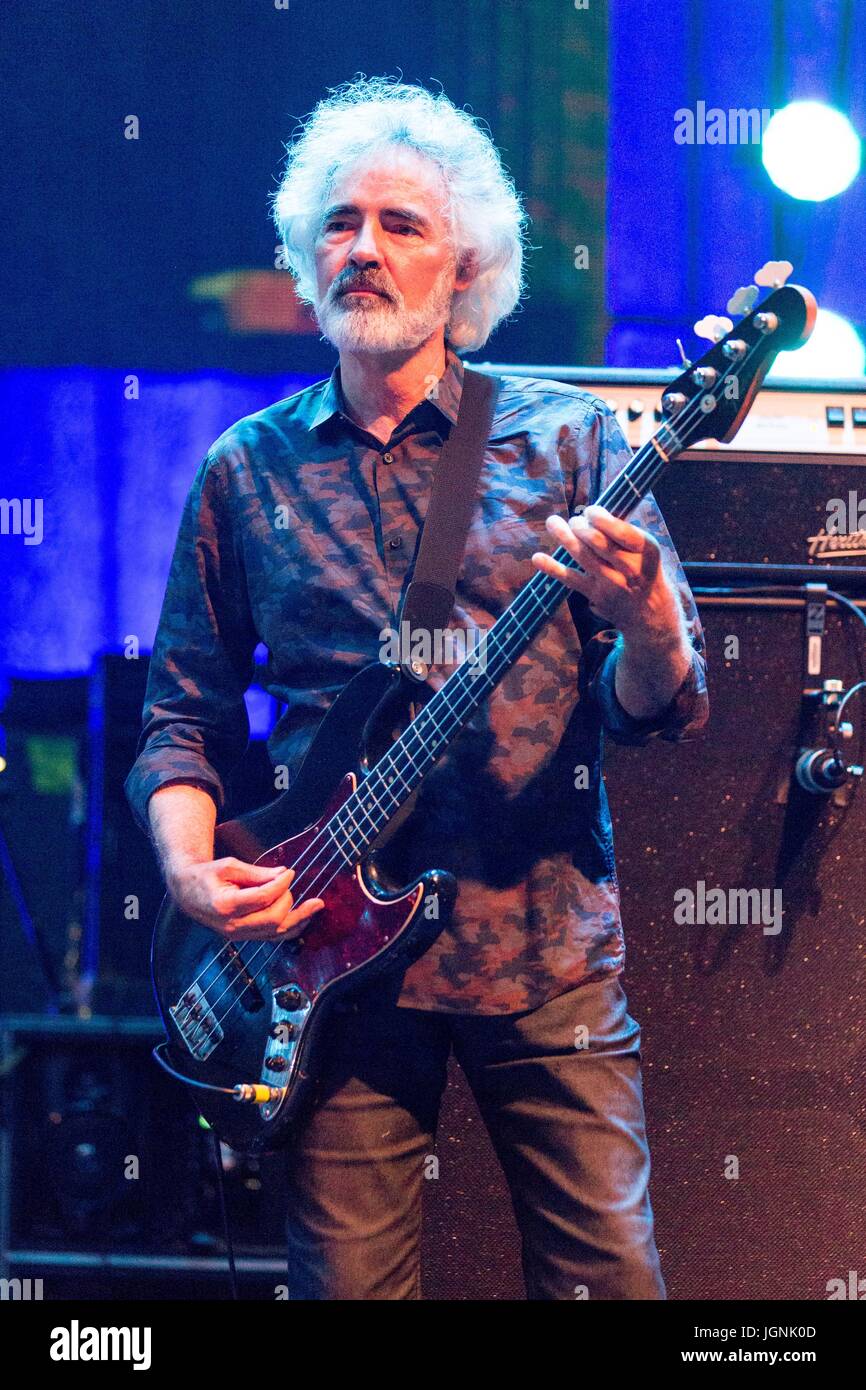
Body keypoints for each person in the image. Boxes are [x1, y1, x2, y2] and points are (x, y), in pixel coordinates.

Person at [125, 77, 709, 1300]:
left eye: (402, 225)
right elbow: (183, 716)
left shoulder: (571, 446)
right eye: (339, 223)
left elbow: (659, 703)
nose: (365, 249)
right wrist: (185, 869)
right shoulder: (246, 468)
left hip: (541, 949)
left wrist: (647, 616)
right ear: (304, 254)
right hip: (323, 970)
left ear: (467, 269)